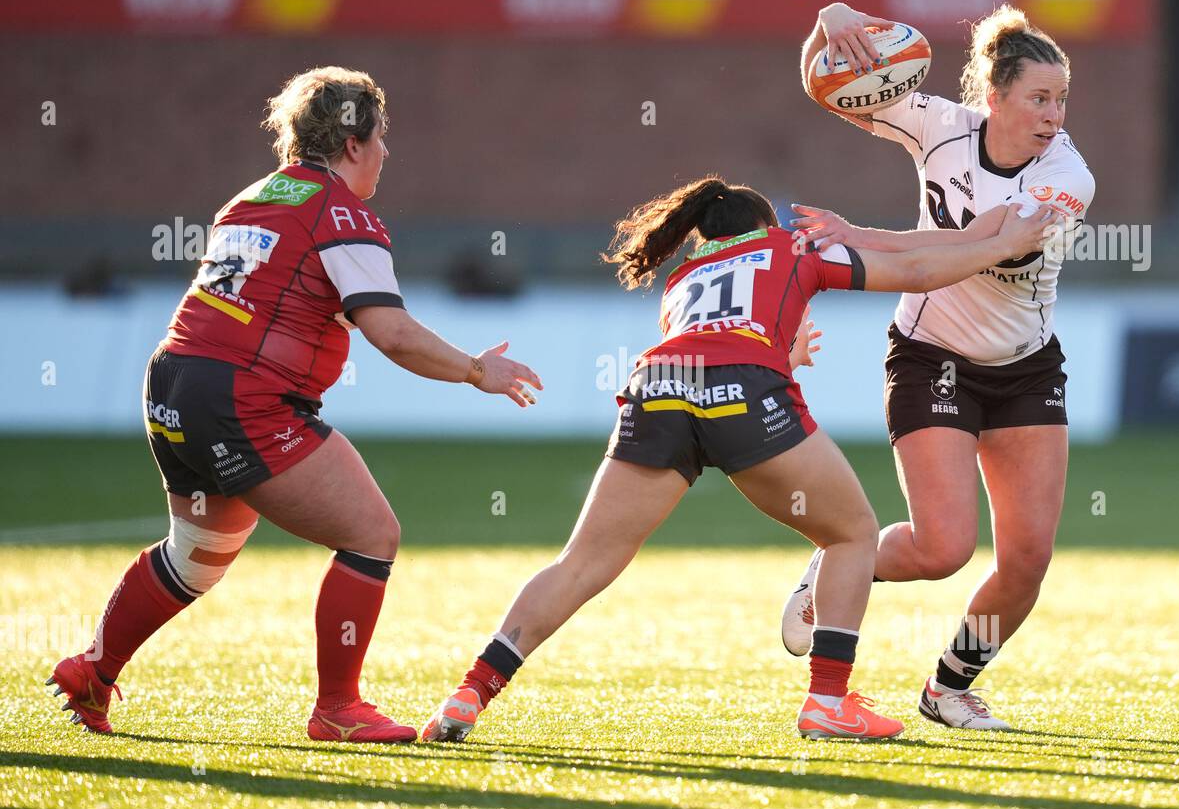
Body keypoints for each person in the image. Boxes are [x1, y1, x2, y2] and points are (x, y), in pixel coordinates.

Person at [422, 175, 1052, 743]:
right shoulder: (791, 248)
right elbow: (913, 270)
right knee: (852, 533)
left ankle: (468, 694)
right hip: (743, 392)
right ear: (766, 227)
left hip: (659, 389)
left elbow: (724, 327)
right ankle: (828, 702)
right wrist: (1002, 243)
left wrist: (778, 351)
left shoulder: (680, 279)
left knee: (583, 562)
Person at [47, 66, 542, 743]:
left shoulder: (252, 198)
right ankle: (337, 710)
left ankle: (92, 671)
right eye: (381, 138)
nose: (387, 154)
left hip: (171, 381)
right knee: (372, 535)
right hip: (242, 397)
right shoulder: (344, 213)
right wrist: (476, 369)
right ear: (352, 143)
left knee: (196, 555)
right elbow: (391, 332)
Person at [781, 3, 1096, 731]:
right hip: (932, 359)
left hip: (1025, 367)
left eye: (1061, 100)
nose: (1054, 115)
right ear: (996, 98)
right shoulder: (939, 124)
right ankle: (833, 568)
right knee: (941, 548)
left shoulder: (1066, 177)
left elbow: (952, 259)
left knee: (1025, 561)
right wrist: (829, 23)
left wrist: (857, 241)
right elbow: (826, 85)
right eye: (1038, 99)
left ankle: (948, 687)